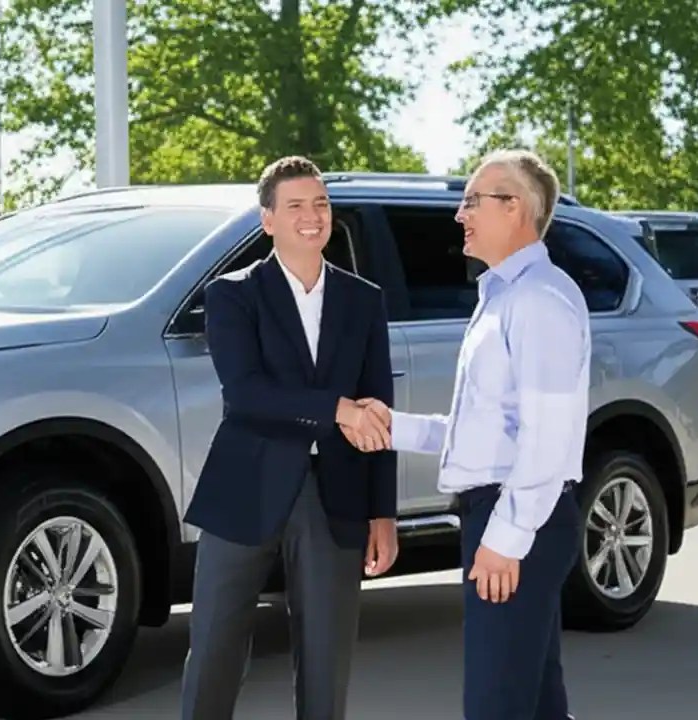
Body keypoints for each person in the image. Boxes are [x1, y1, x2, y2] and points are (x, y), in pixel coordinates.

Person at [362, 148, 587, 720]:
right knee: (532, 700)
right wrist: (396, 428)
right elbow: (489, 433)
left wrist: (505, 537)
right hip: (508, 510)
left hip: (516, 514)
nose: (460, 214)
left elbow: (547, 434)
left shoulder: (537, 300)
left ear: (515, 209)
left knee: (496, 703)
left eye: (472, 201)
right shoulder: (505, 296)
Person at [179, 155, 398, 720]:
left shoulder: (363, 299)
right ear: (268, 219)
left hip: (338, 496)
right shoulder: (233, 295)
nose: (312, 215)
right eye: (296, 205)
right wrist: (336, 409)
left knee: (327, 664)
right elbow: (246, 393)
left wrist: (383, 513)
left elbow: (378, 410)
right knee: (214, 651)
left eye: (321, 203)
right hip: (244, 487)